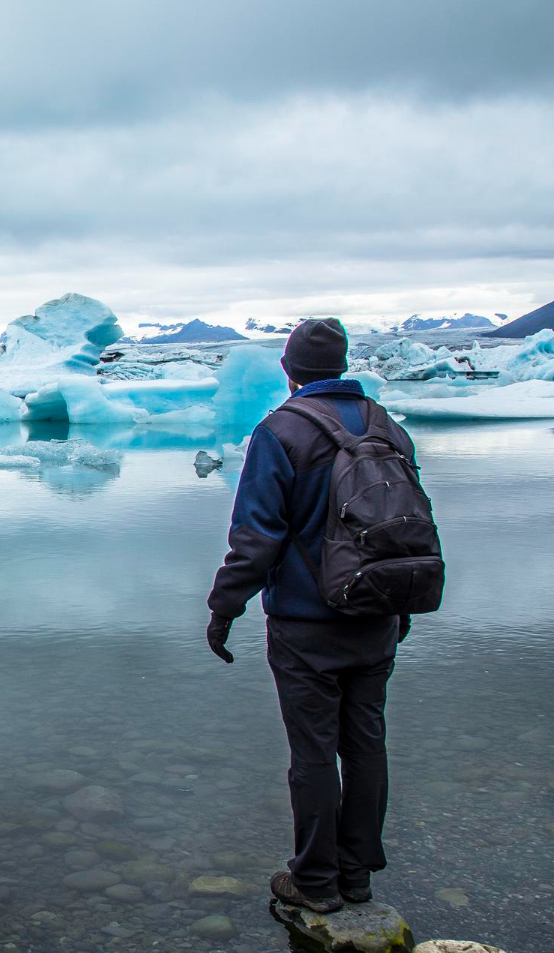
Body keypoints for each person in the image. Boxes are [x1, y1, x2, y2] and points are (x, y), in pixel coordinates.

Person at [205, 318, 415, 914]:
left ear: (288, 368)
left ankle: (316, 881)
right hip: (377, 613)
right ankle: (357, 875)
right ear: (342, 366)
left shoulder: (281, 432)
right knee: (367, 743)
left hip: (306, 621)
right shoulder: (389, 427)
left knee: (315, 753)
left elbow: (256, 537)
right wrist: (399, 605)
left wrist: (225, 607)